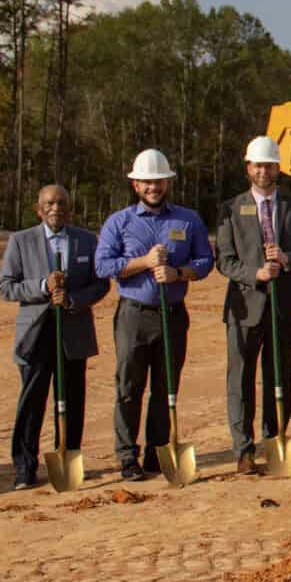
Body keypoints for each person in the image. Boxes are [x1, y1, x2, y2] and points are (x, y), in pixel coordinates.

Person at [94, 149, 214, 482]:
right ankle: (127, 455)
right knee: (129, 387)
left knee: (166, 387)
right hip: (133, 316)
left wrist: (179, 273)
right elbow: (103, 265)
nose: (153, 187)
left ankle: (156, 452)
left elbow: (205, 261)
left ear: (167, 183)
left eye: (158, 181)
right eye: (146, 182)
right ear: (135, 185)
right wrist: (143, 263)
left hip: (172, 315)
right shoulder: (119, 222)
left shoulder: (188, 220)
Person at [0, 185, 110, 490]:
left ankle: (68, 457)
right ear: (39, 209)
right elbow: (6, 287)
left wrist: (73, 299)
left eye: (61, 203)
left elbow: (101, 284)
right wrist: (42, 286)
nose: (55, 208)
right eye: (49, 203)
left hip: (73, 331)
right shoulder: (20, 241)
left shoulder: (87, 240)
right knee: (32, 402)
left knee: (72, 399)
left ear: (70, 209)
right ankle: (25, 466)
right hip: (35, 332)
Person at [215, 136, 291, 475]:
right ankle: (244, 449)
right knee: (240, 379)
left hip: (283, 305)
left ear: (277, 168)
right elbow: (224, 260)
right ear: (248, 168)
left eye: (269, 165)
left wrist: (287, 260)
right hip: (244, 306)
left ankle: (275, 439)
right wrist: (253, 273)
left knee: (279, 376)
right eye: (257, 165)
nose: (263, 171)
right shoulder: (231, 208)